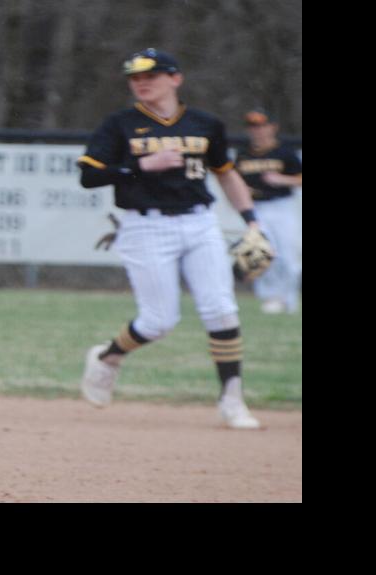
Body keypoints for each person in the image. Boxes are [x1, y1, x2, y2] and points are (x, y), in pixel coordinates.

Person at [77, 48, 265, 430]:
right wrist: (141, 165)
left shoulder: (205, 123)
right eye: (135, 77)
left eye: (151, 75)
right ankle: (108, 358)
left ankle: (232, 399)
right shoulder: (120, 124)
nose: (141, 82)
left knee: (221, 309)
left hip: (200, 223)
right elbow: (89, 176)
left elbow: (226, 174)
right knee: (159, 321)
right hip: (145, 226)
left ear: (175, 79)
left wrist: (251, 221)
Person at [236, 109, 302, 314]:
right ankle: (270, 298)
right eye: (253, 127)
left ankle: (289, 298)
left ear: (273, 127)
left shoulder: (284, 152)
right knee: (261, 252)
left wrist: (282, 179)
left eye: (261, 126)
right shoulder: (243, 153)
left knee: (289, 255)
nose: (257, 131)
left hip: (281, 206)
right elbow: (234, 181)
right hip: (256, 208)